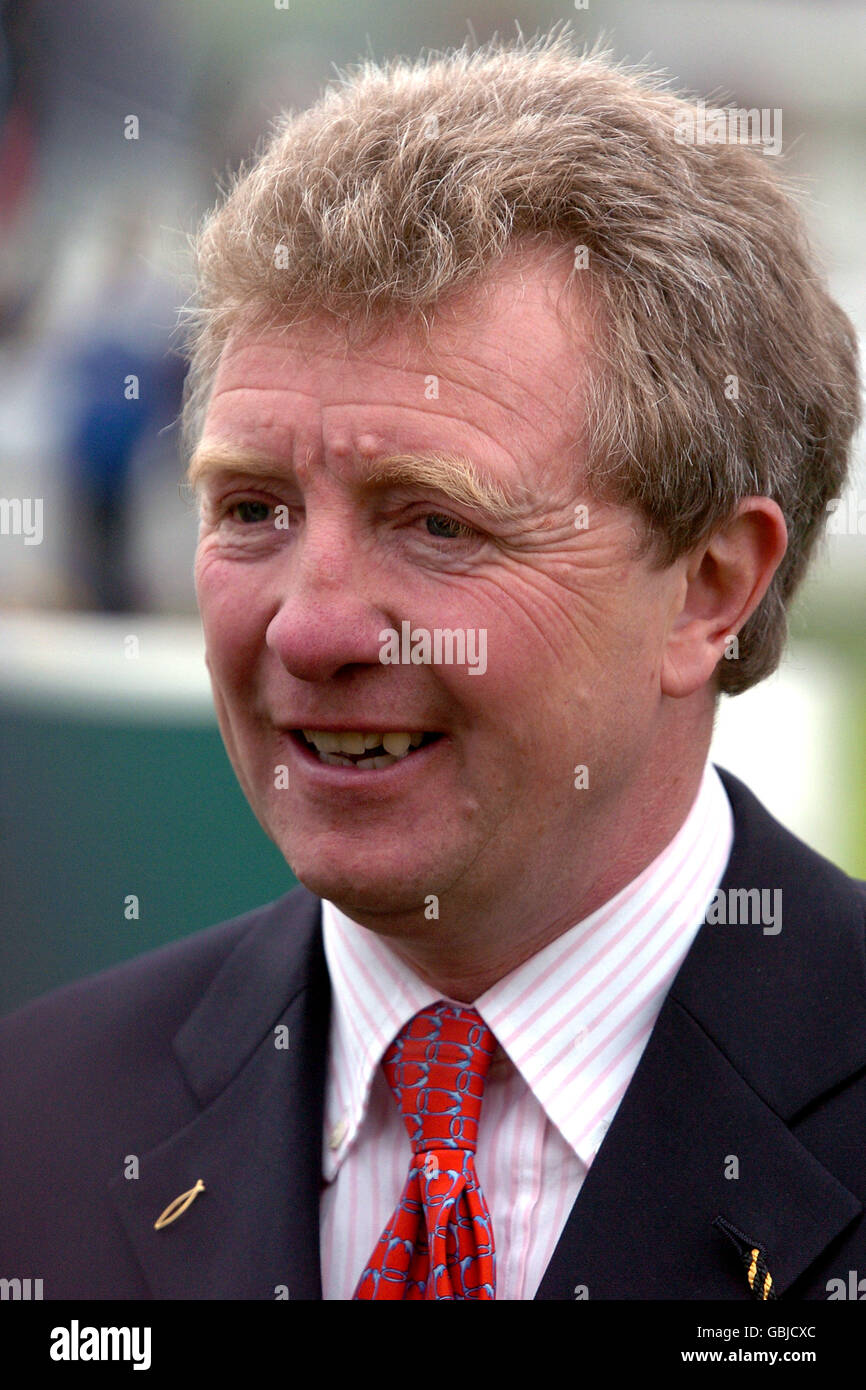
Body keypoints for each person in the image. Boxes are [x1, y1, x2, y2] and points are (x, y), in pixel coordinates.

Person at [2, 32, 864, 1302]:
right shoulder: (43, 1116)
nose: (309, 628)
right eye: (251, 509)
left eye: (437, 521)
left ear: (709, 586)